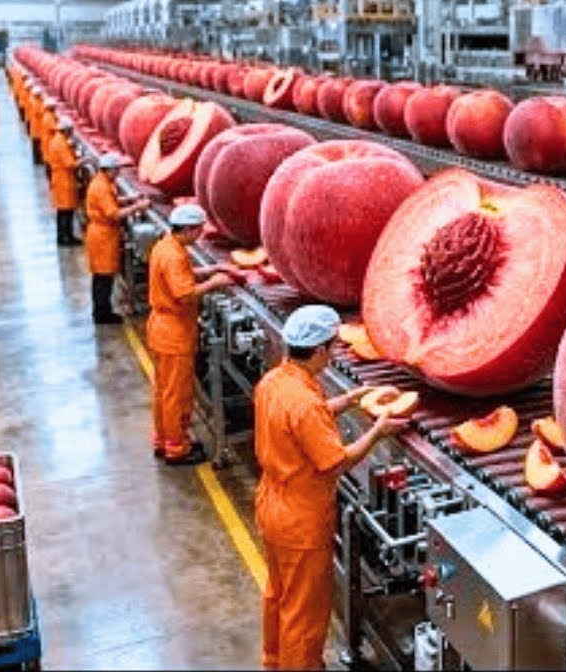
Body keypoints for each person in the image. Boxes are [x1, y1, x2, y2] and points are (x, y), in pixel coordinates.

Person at [254, 305, 409, 670]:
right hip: (301, 521)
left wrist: (352, 399)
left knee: (278, 594)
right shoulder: (305, 404)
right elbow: (337, 462)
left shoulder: (275, 381)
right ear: (321, 351)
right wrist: (378, 431)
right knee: (304, 614)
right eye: (333, 346)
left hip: (271, 505)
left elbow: (307, 416)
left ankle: (274, 662)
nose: (335, 352)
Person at [146, 204, 236, 465]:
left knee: (164, 390)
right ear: (186, 229)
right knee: (177, 393)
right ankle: (177, 448)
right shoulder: (174, 255)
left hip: (161, 327)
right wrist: (214, 283)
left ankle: (164, 438)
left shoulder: (166, 246)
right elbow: (183, 293)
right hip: (173, 332)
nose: (200, 235)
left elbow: (177, 277)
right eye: (198, 230)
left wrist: (204, 272)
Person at [85, 153, 149, 324]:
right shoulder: (101, 187)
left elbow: (111, 202)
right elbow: (113, 214)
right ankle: (102, 314)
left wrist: (129, 200)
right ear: (110, 170)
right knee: (103, 278)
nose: (119, 173)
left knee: (103, 277)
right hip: (102, 237)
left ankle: (102, 311)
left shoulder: (103, 182)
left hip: (104, 235)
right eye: (117, 170)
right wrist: (137, 207)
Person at [45, 116, 82, 247]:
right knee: (65, 211)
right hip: (63, 180)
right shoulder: (60, 144)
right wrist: (83, 161)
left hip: (63, 179)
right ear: (66, 130)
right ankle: (65, 237)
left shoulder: (59, 141)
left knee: (65, 211)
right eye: (70, 130)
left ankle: (65, 235)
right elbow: (70, 164)